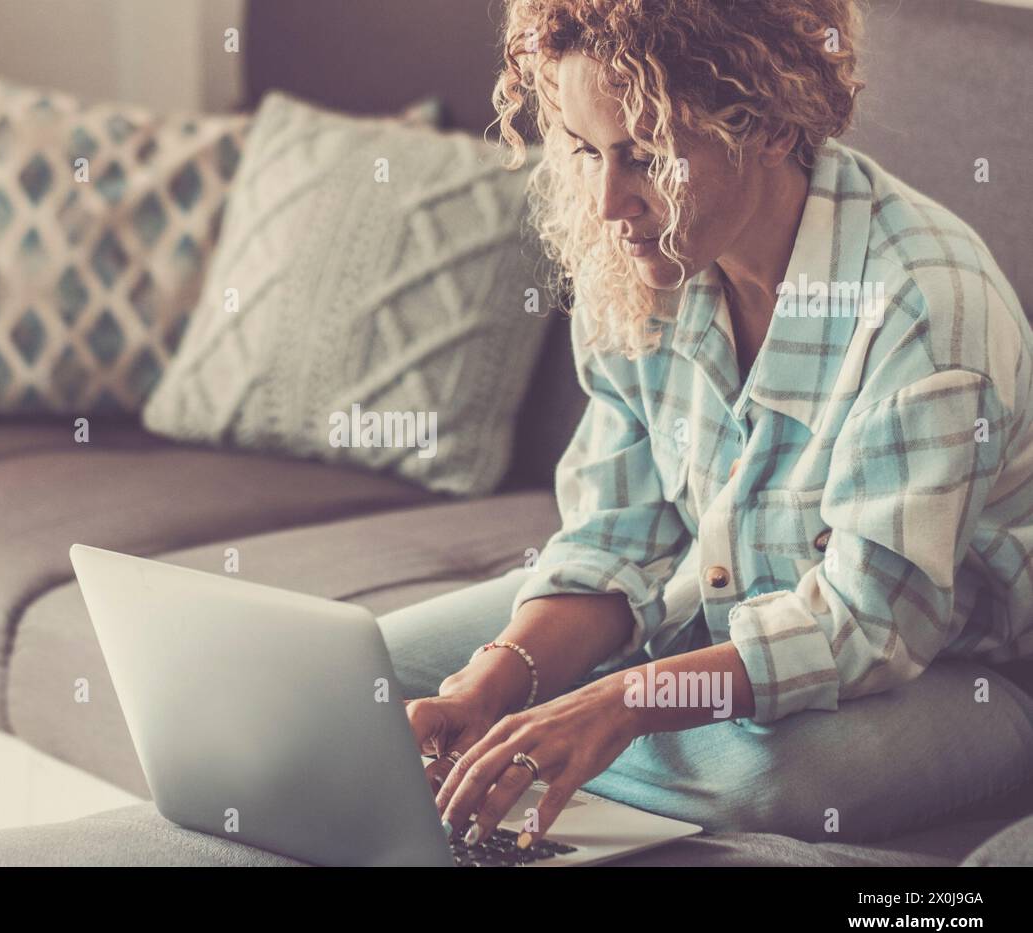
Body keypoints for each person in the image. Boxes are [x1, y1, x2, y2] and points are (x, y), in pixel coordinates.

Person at [379, 0, 1033, 850]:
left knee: (755, 780)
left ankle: (522, 764)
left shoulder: (923, 304)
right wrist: (500, 678)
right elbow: (620, 535)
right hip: (710, 620)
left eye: (646, 157)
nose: (611, 202)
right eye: (586, 152)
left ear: (762, 122)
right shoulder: (641, 261)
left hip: (948, 672)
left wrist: (621, 702)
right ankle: (517, 755)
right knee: (379, 678)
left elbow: (868, 625)